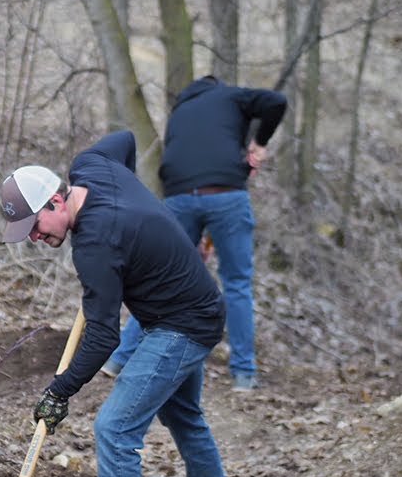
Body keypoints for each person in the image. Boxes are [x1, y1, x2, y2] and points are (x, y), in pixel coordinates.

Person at [0, 130, 244, 477]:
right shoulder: (93, 166)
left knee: (114, 430)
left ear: (55, 199)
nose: (34, 237)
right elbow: (126, 139)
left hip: (182, 326)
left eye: (35, 225)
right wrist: (139, 218)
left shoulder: (95, 244)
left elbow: (104, 337)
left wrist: (60, 389)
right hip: (194, 306)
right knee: (185, 418)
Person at [102, 75, 287, 391]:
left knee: (161, 278)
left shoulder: (180, 112)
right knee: (237, 282)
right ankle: (243, 373)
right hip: (226, 193)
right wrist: (259, 143)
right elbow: (276, 102)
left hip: (178, 198)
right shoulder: (230, 96)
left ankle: (118, 358)